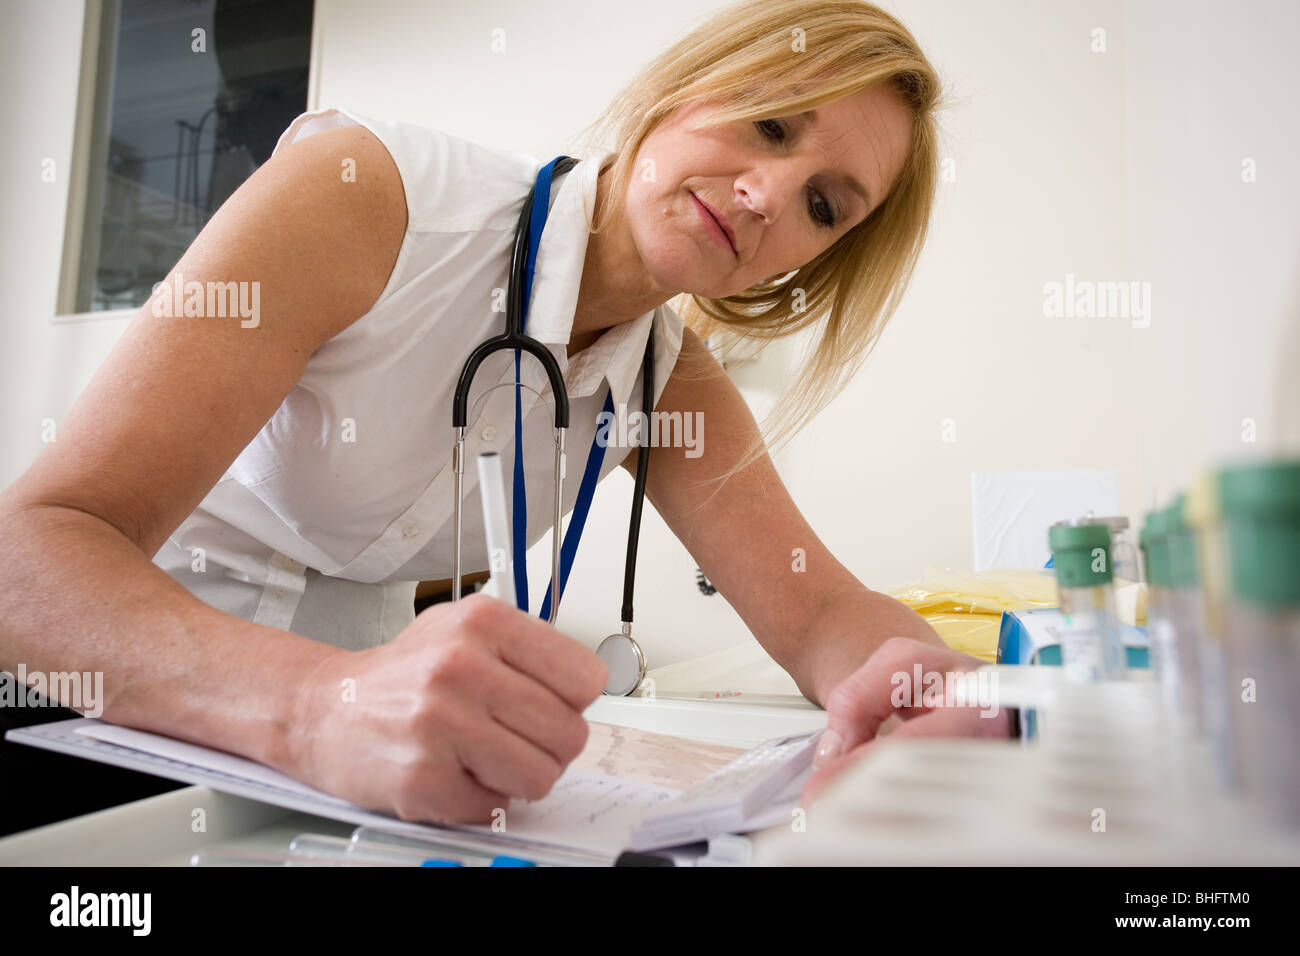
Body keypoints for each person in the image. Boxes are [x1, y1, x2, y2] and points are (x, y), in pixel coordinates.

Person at [0, 0, 1009, 831]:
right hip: (80, 708)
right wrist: (320, 704)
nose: (765, 194)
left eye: (825, 206)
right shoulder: (365, 194)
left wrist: (927, 682)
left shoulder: (664, 379)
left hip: (298, 794)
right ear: (685, 87)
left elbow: (822, 613)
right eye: (772, 124)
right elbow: (30, 554)